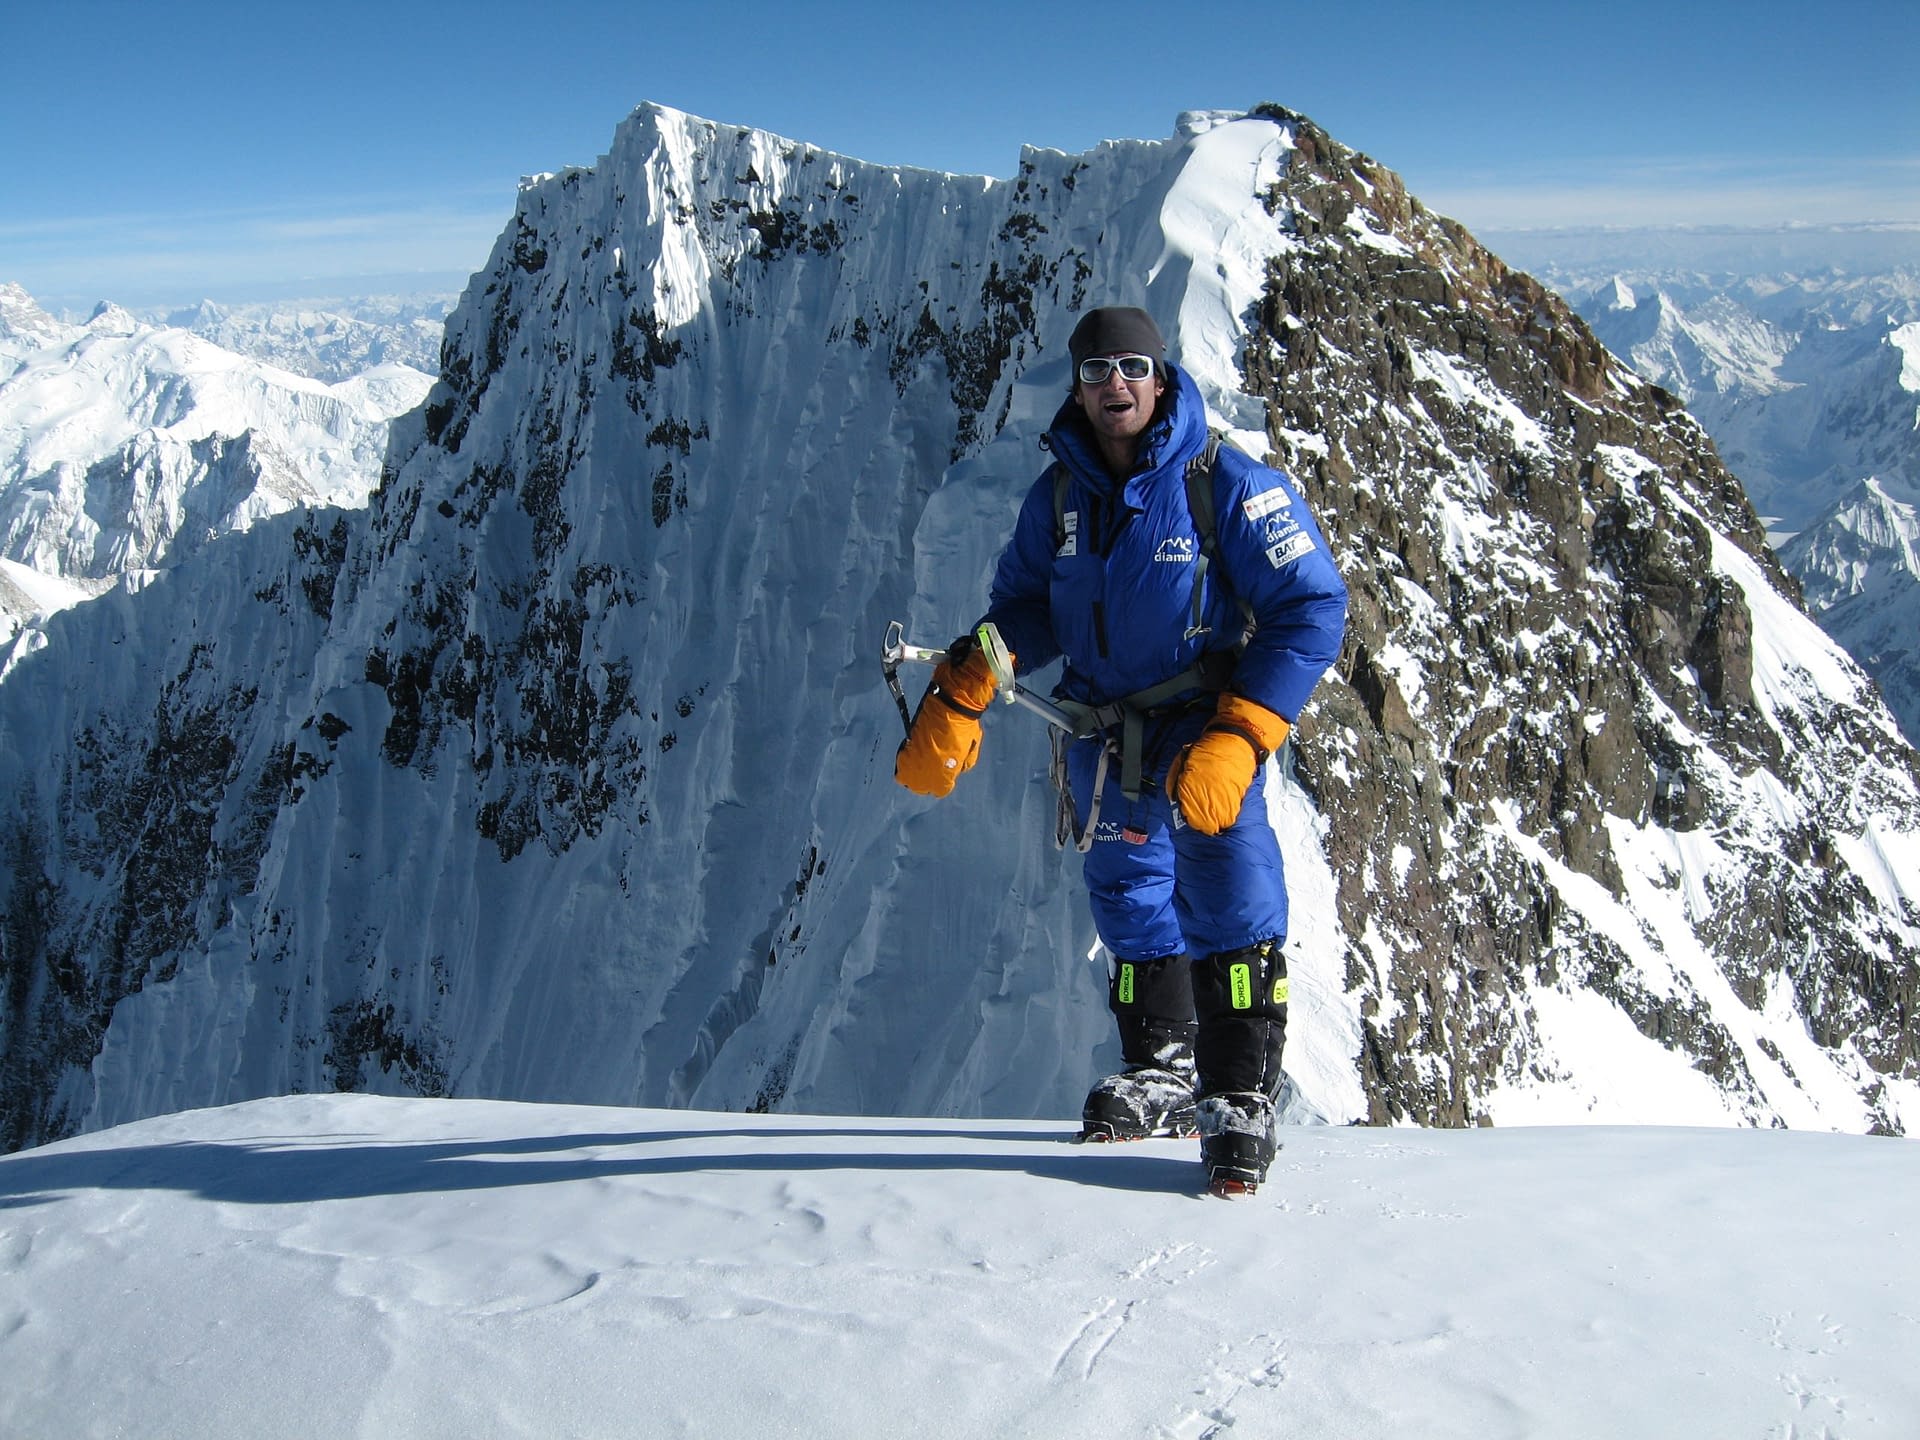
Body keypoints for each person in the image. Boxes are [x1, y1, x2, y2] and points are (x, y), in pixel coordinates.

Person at [893, 305, 1349, 1196]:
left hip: (1205, 732)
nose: (1115, 387)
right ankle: (1165, 1069)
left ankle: (1240, 1096)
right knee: (1130, 901)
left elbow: (1312, 606)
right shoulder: (1059, 497)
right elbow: (1028, 607)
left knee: (1231, 897)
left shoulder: (1227, 484)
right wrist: (969, 680)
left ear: (1161, 374)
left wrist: (1248, 731)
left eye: (1132, 367)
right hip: (1103, 735)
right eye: (1098, 370)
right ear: (1077, 383)